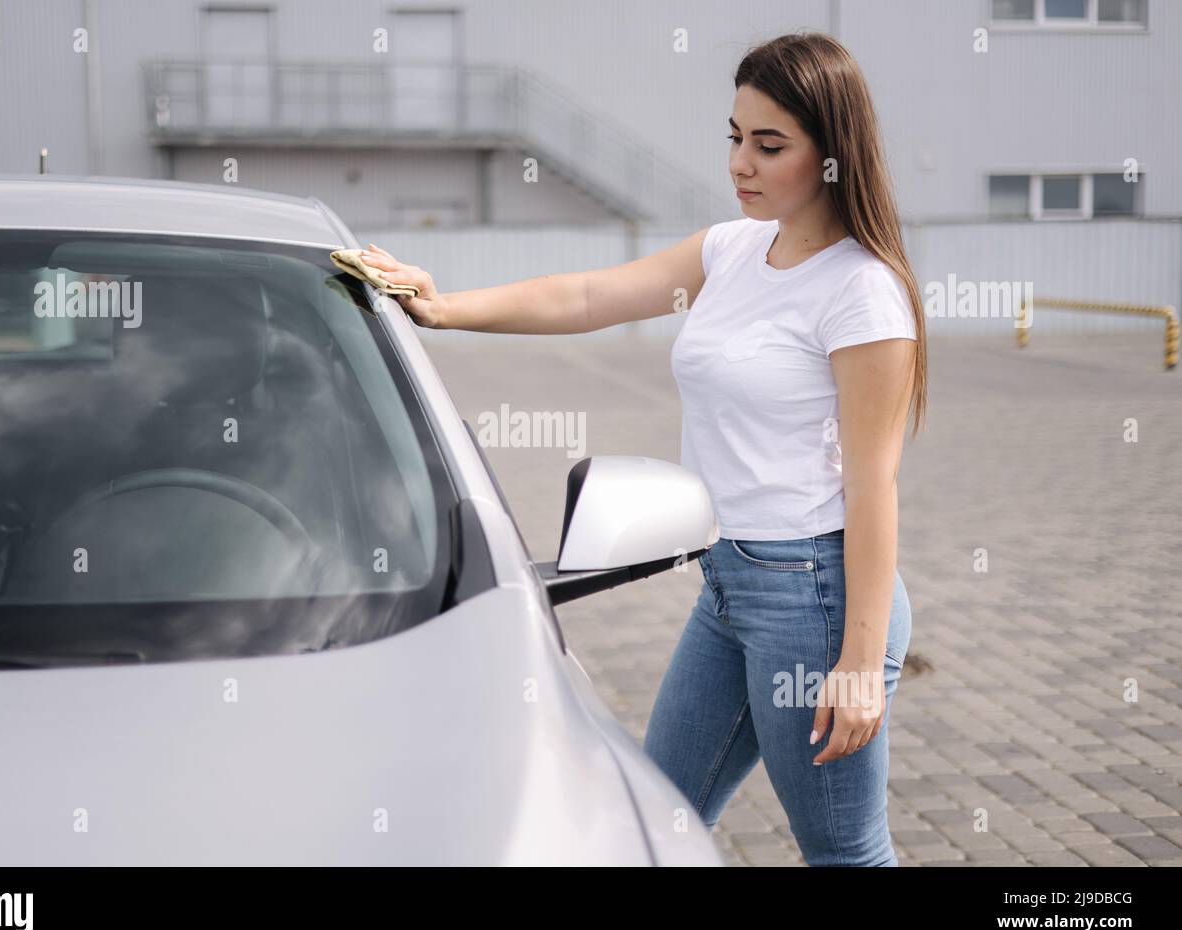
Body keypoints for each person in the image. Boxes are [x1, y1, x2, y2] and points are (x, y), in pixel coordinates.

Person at [358, 30, 926, 866]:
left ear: (834, 152)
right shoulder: (730, 251)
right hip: (727, 587)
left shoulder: (862, 294)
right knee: (658, 814)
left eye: (771, 145)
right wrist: (447, 308)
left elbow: (875, 487)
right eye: (735, 137)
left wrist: (856, 665)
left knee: (844, 853)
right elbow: (589, 295)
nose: (742, 162)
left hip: (816, 601)